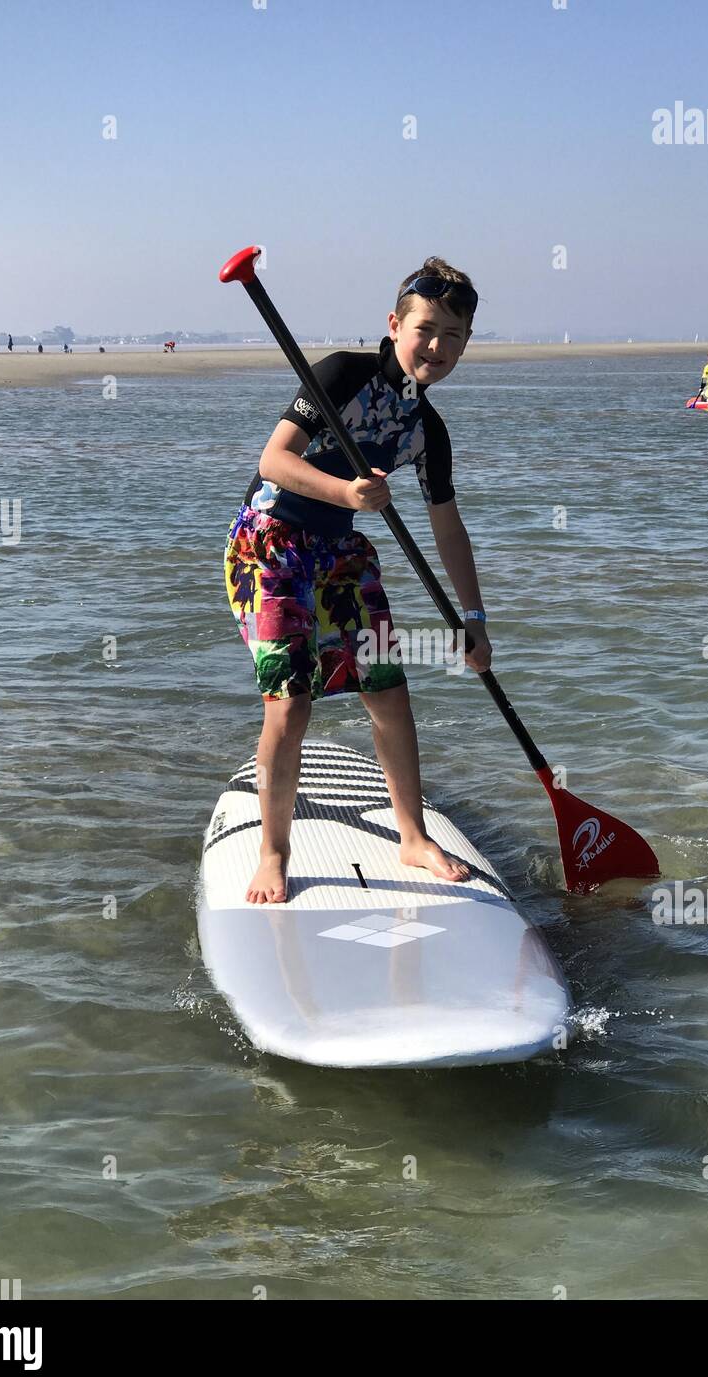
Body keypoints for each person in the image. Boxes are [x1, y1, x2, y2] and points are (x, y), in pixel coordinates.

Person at [225, 256, 490, 904]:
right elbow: (273, 459)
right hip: (271, 546)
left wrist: (474, 619)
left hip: (341, 551)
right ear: (395, 324)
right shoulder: (344, 375)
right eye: (426, 328)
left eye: (453, 335)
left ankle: (413, 836)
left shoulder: (427, 431)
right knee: (291, 704)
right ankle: (274, 851)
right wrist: (346, 489)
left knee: (389, 693)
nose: (437, 346)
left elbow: (447, 526)